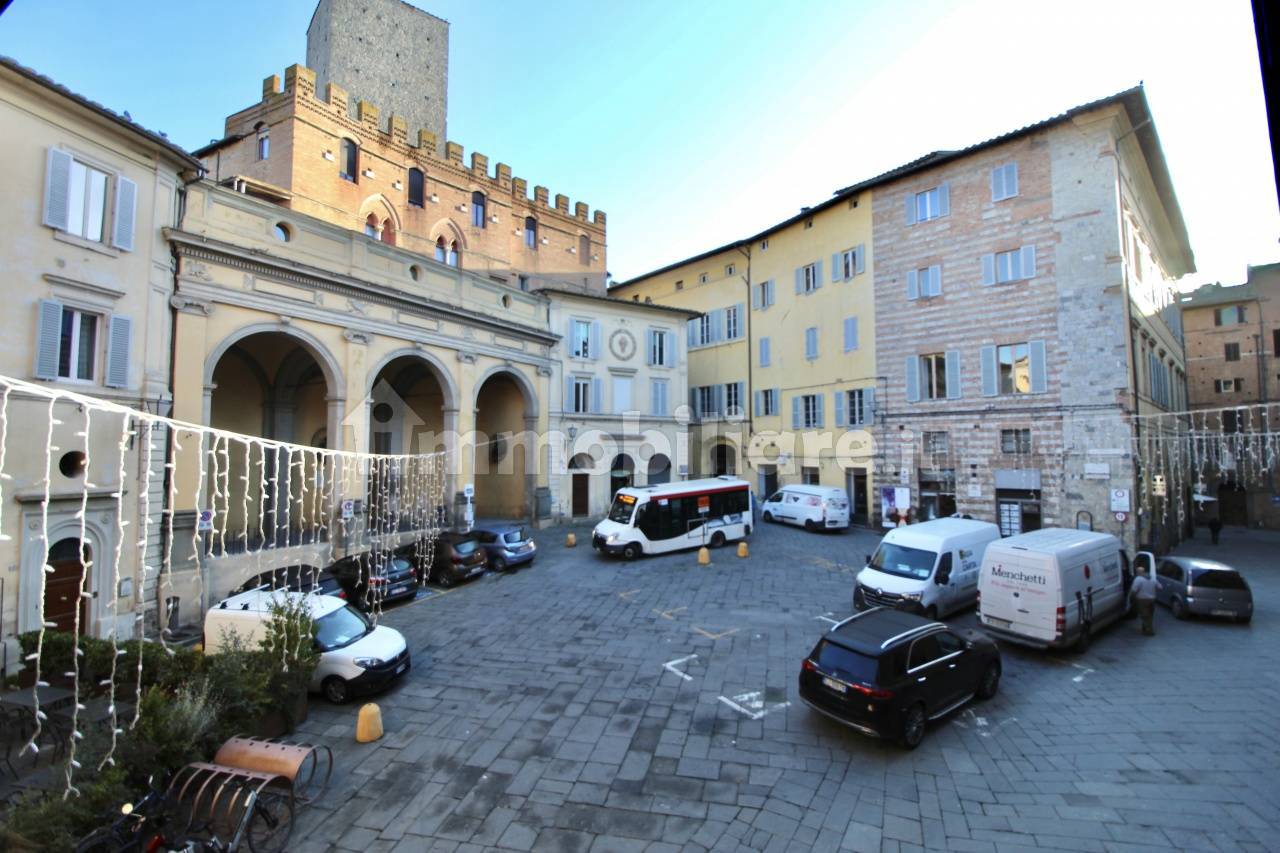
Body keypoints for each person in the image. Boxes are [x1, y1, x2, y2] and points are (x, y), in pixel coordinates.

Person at [1129, 564, 1158, 636]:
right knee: (1150, 615)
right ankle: (1145, 628)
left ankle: (1149, 631)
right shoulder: (1153, 578)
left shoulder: (1138, 579)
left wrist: (1131, 598)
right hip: (1152, 600)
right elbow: (1160, 587)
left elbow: (1134, 590)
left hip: (1142, 600)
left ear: (1138, 572)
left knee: (1144, 615)